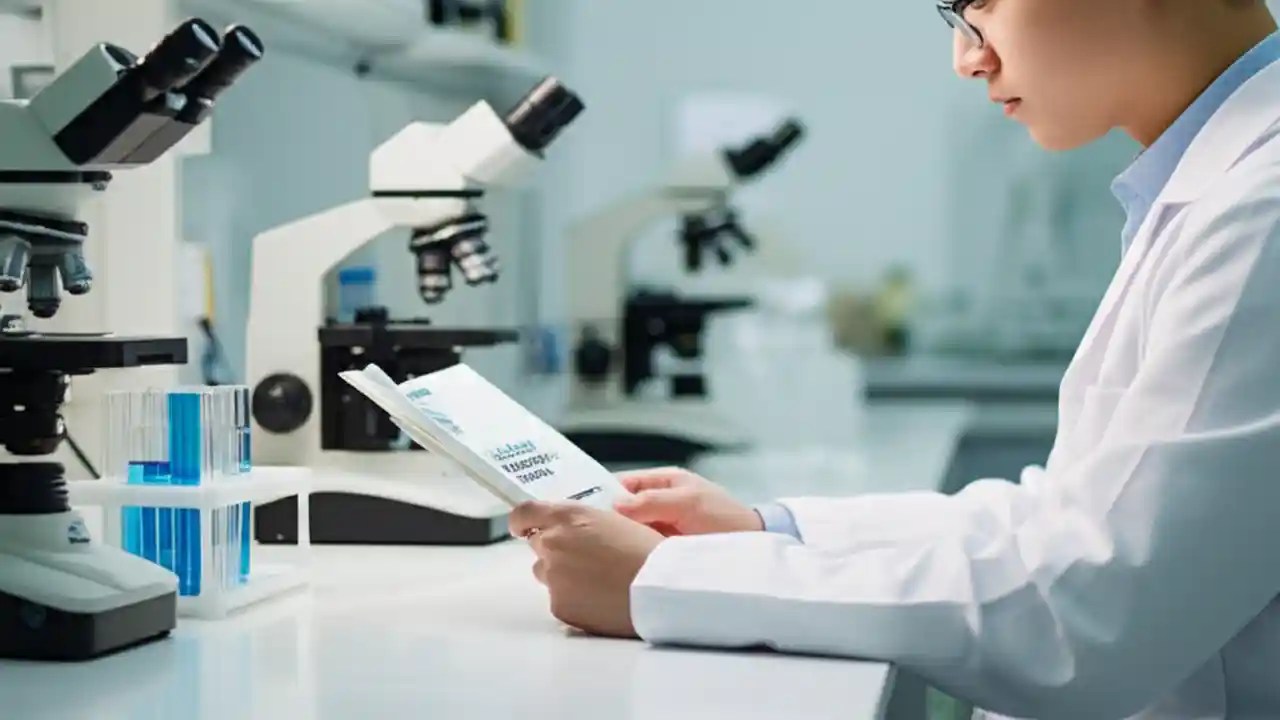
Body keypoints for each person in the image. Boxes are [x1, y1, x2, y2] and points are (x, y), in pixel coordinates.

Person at [511, 0, 1280, 717]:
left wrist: (666, 582)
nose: (965, 58)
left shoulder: (1262, 205)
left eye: (980, 3)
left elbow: (1092, 612)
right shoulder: (1218, 188)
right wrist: (764, 528)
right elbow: (1070, 521)